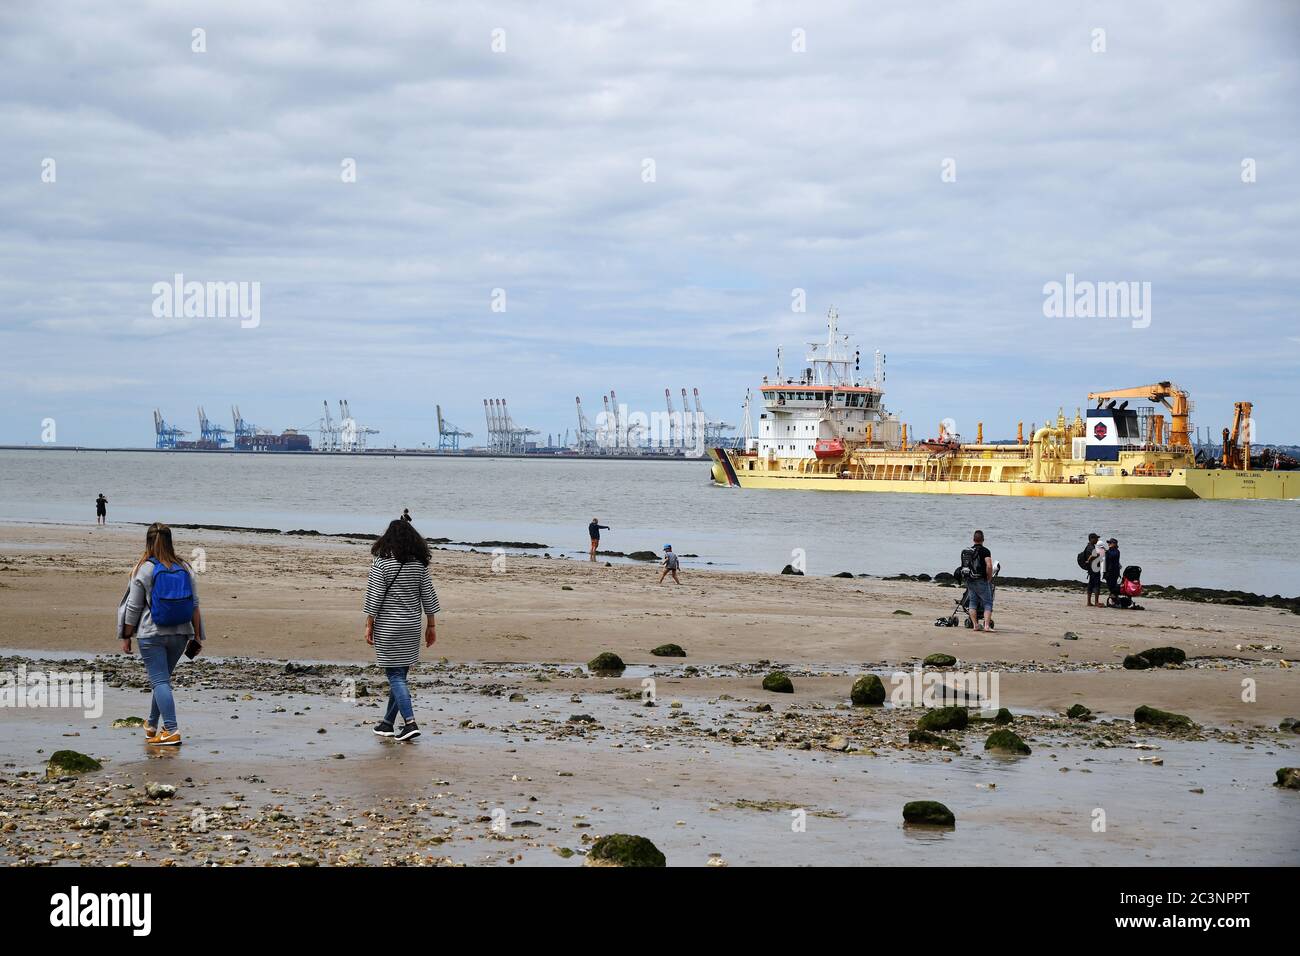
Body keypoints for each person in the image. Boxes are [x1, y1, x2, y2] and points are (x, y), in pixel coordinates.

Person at [119, 523, 204, 746]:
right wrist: (197, 636)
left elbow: (134, 607)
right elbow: (194, 604)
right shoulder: (185, 567)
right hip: (181, 632)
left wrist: (126, 635)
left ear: (148, 541)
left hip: (151, 633)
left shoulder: (144, 568)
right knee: (162, 680)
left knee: (159, 681)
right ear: (170, 541)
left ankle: (172, 729)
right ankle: (152, 725)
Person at [364, 519, 440, 741]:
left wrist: (369, 624)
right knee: (400, 675)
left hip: (388, 626)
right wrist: (432, 626)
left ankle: (410, 723)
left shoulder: (381, 564)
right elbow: (429, 597)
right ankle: (387, 724)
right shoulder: (419, 565)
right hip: (411, 626)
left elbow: (374, 598)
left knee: (396, 675)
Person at [963, 530, 994, 631]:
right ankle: (986, 626)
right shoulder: (985, 551)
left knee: (972, 603)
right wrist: (989, 578)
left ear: (973, 539)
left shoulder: (969, 551)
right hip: (981, 580)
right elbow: (989, 565)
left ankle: (975, 625)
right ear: (983, 540)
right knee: (988, 603)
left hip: (970, 580)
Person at [1084, 532, 1104, 607]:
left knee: (1091, 584)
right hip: (1094, 568)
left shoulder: (1089, 546)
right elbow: (1094, 555)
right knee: (1096, 584)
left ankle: (1089, 602)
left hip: (1091, 568)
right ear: (1092, 539)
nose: (1097, 540)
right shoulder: (1090, 547)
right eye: (1096, 538)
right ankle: (1096, 602)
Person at [1103, 537, 1122, 604]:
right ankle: (1114, 600)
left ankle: (1115, 600)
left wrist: (1107, 551)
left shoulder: (1116, 551)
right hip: (1108, 572)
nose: (1109, 544)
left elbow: (1112, 556)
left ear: (1114, 544)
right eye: (1108, 543)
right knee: (1110, 586)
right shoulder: (1109, 551)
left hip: (1113, 572)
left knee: (1112, 587)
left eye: (1110, 543)